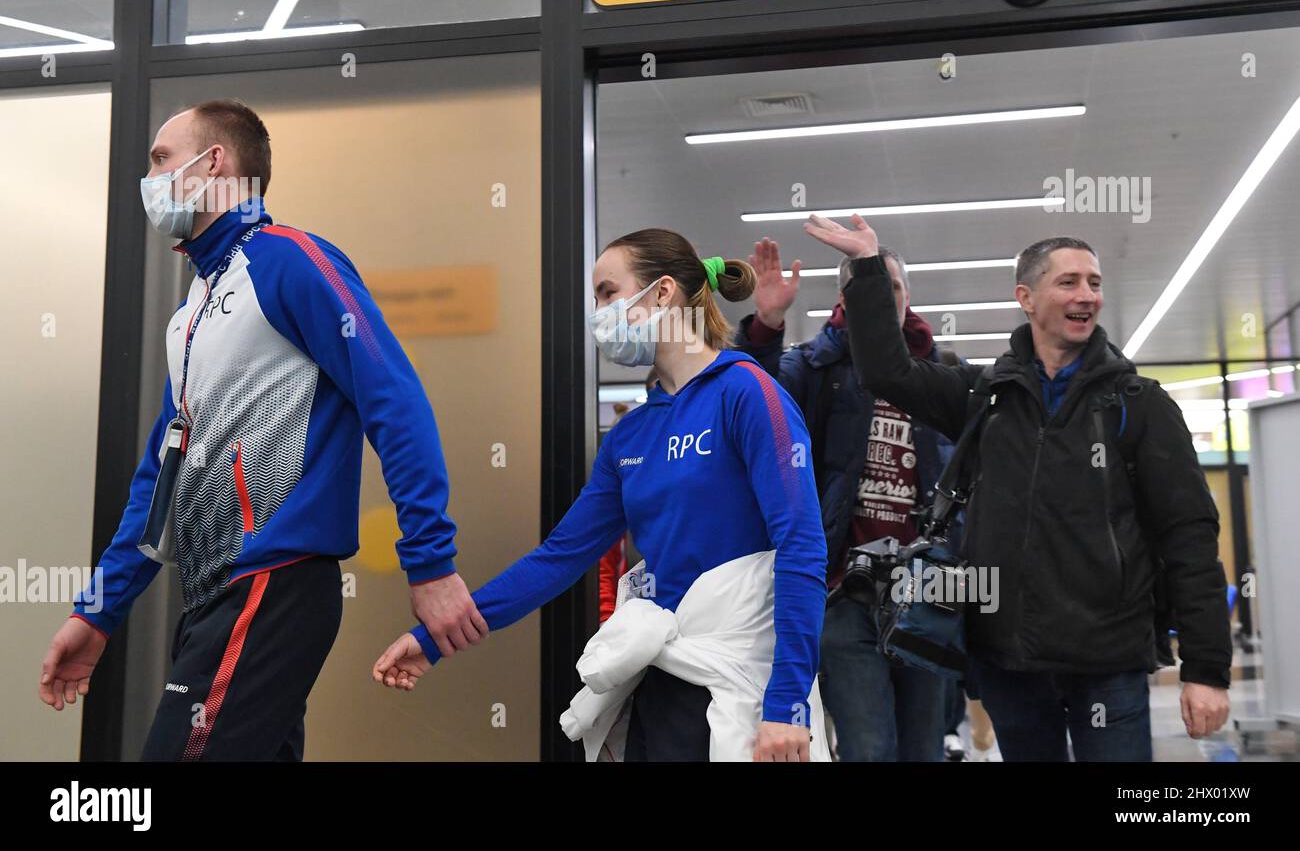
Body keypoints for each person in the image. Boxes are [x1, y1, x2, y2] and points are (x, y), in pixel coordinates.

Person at [37, 98, 484, 760]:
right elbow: (160, 477)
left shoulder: (289, 261)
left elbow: (393, 398)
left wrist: (432, 563)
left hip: (272, 581)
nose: (151, 179)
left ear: (213, 161)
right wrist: (97, 611)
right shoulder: (191, 313)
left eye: (161, 159)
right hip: (213, 593)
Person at [373, 228, 828, 761]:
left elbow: (801, 548)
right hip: (660, 683)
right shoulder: (630, 436)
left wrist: (785, 706)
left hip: (744, 690)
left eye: (608, 293)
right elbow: (558, 559)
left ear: (662, 294)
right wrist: (432, 640)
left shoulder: (747, 395)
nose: (599, 314)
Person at [804, 213, 1232, 761]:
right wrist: (867, 271)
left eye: (1094, 283)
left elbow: (1189, 537)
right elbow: (888, 373)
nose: (1088, 296)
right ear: (1026, 298)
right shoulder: (986, 397)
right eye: (1069, 282)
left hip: (1108, 660)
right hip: (1010, 660)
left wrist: (1205, 669)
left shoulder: (1138, 404)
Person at [733, 238, 961, 761]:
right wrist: (766, 326)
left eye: (893, 287)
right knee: (868, 747)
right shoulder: (816, 369)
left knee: (924, 749)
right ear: (845, 298)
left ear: (908, 297)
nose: (884, 298)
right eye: (870, 289)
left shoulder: (943, 370)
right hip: (843, 594)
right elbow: (751, 405)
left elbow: (970, 477)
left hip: (926, 593)